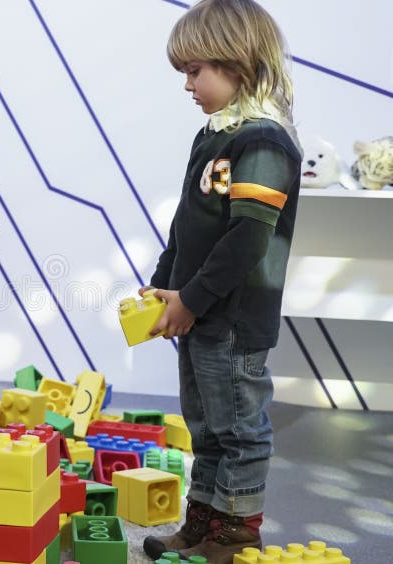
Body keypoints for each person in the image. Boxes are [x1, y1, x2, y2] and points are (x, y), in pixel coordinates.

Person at [140, 1, 301, 562]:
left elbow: (248, 240)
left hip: (232, 319)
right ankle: (203, 523)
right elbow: (189, 224)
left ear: (240, 64)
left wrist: (192, 299)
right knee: (205, 428)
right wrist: (164, 285)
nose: (187, 84)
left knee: (239, 432)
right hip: (200, 312)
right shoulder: (212, 136)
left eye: (195, 70)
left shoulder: (263, 142)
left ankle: (235, 536)